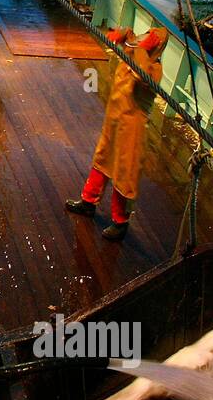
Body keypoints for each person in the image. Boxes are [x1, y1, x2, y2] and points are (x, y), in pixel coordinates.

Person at [66, 26, 168, 240]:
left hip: (132, 128)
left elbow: (141, 75)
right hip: (114, 120)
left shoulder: (154, 69)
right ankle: (88, 202)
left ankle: (120, 223)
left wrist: (139, 48)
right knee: (102, 159)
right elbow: (109, 41)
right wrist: (125, 35)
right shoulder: (130, 53)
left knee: (125, 174)